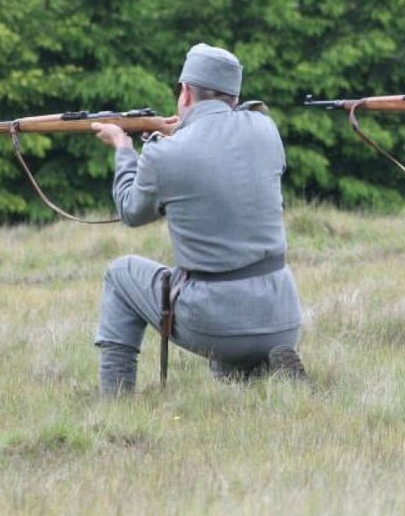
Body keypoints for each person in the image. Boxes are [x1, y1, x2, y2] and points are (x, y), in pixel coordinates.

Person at [90, 43, 305, 395]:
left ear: (186, 93)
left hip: (216, 319)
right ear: (233, 95)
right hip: (282, 317)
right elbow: (224, 153)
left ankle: (115, 401)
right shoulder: (266, 130)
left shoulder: (164, 154)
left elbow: (131, 211)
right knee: (228, 268)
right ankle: (260, 372)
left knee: (120, 274)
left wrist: (124, 150)